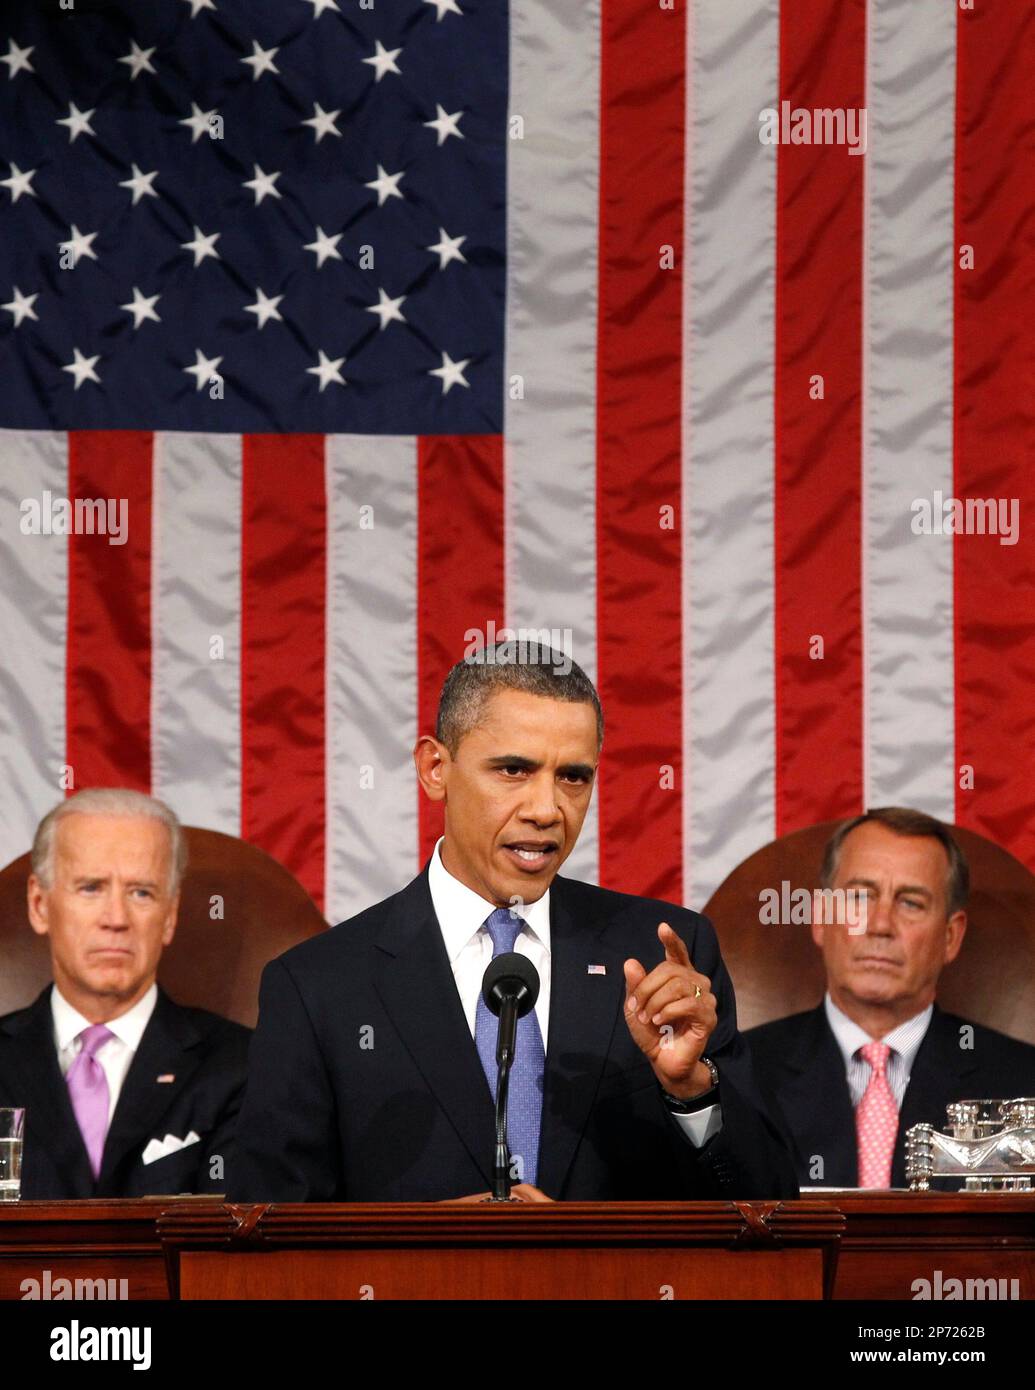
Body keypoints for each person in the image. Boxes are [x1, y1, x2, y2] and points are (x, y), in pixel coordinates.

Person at [230, 644, 797, 1202]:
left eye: (573, 777)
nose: (547, 809)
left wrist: (690, 1092)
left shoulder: (665, 956)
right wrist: (421, 1253)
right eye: (514, 770)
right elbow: (269, 1242)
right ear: (435, 768)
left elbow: (770, 1212)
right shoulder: (318, 988)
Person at [745, 807, 1035, 1189]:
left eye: (911, 902)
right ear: (819, 919)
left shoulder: (1023, 1080)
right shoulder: (739, 1073)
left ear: (951, 936)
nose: (880, 925)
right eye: (861, 898)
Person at [0, 789, 250, 1198]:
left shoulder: (242, 1066)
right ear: (39, 904)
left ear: (169, 917)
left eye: (141, 893)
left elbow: (236, 1249)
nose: (116, 919)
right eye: (91, 888)